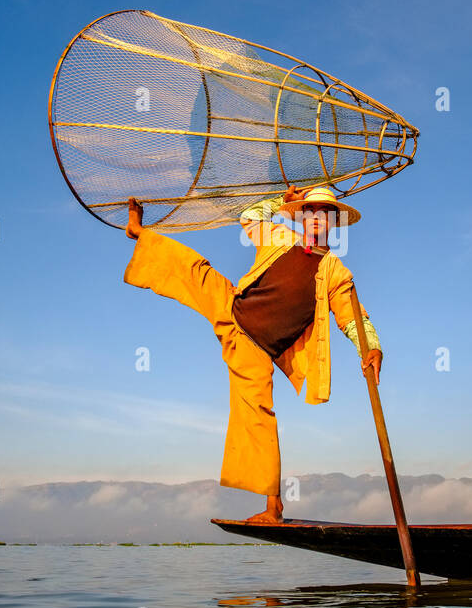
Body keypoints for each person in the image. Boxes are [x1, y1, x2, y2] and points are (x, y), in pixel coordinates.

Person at [123, 184, 382, 524]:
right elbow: (249, 217)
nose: (317, 218)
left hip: (256, 349)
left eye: (325, 214)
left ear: (333, 223)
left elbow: (354, 319)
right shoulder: (279, 238)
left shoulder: (335, 273)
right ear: (303, 218)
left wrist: (372, 348)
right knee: (192, 266)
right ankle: (138, 231)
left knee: (258, 413)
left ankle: (273, 507)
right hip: (231, 305)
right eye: (311, 212)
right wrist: (282, 201)